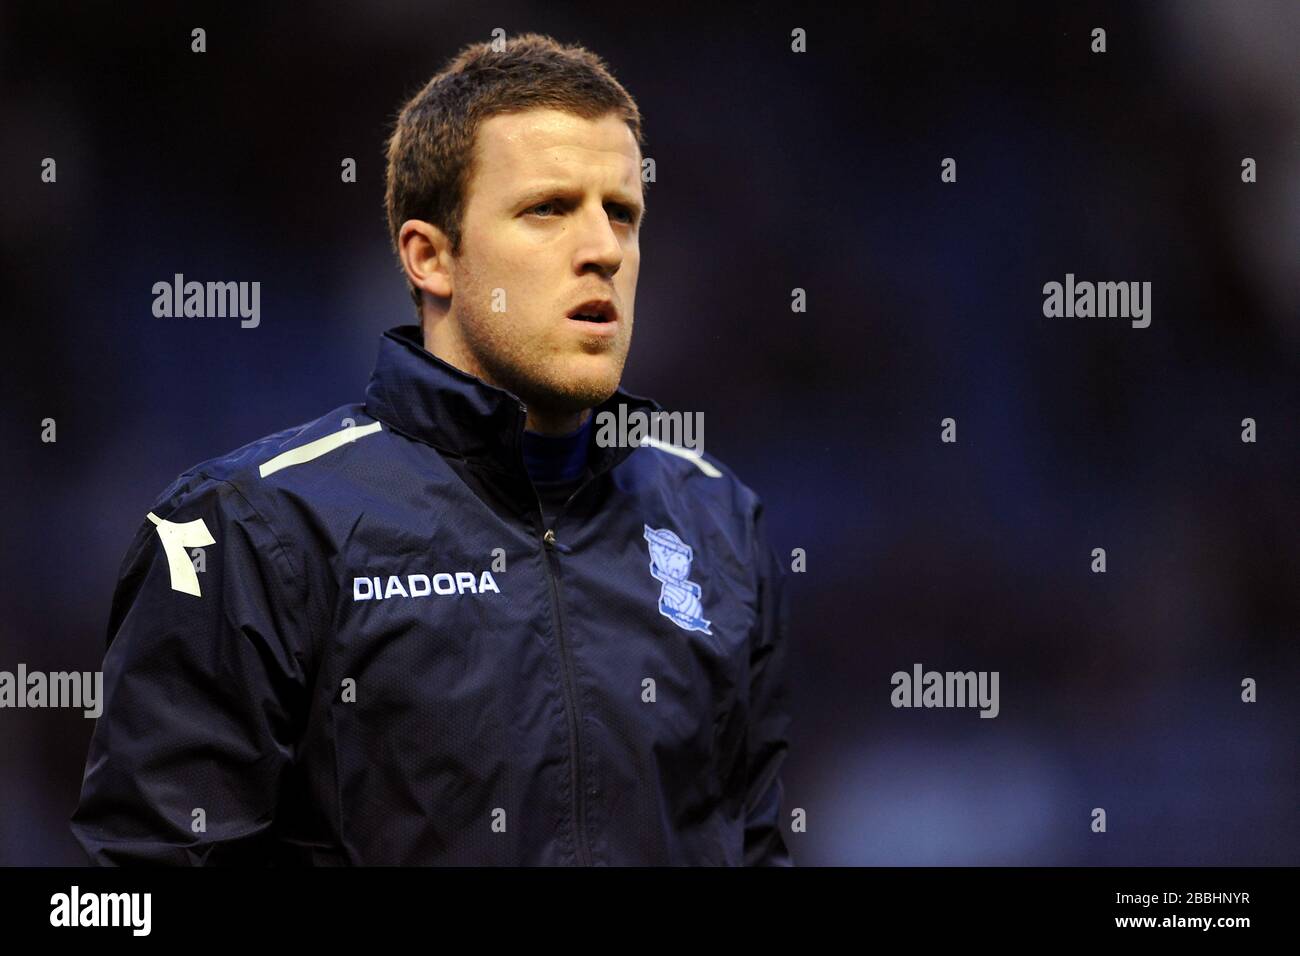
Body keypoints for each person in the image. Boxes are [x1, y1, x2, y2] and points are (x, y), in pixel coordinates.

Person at [71, 32, 793, 866]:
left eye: (622, 213)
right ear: (430, 257)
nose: (603, 250)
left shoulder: (721, 523)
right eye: (548, 208)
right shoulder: (252, 529)